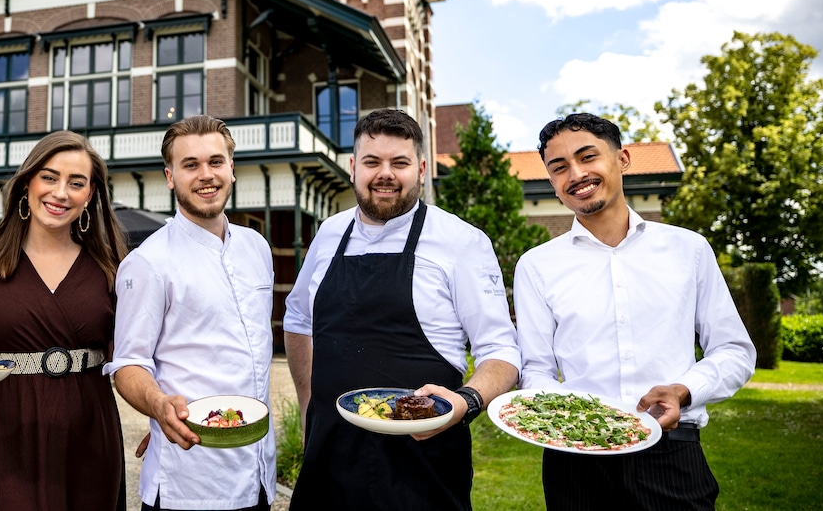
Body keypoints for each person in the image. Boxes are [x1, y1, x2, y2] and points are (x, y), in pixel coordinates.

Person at [514, 113, 756, 510]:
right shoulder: (535, 266)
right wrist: (574, 418)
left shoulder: (689, 250)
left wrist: (684, 391)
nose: (576, 174)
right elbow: (535, 369)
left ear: (622, 159)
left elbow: (734, 350)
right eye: (559, 168)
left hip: (672, 452)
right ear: (553, 183)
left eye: (587, 157)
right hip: (576, 461)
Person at [284, 108, 520, 509]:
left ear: (422, 168)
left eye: (400, 163)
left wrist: (465, 402)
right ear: (353, 166)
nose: (385, 174)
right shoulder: (328, 233)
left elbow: (502, 351)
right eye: (373, 162)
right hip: (329, 459)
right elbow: (298, 319)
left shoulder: (461, 241)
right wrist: (309, 407)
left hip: (423, 466)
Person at [0, 130, 129, 510]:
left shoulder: (113, 268)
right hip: (1, 427)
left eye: (76, 183)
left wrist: (160, 414)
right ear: (27, 182)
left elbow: (134, 356)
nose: (61, 192)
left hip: (89, 430)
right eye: (49, 177)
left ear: (90, 195)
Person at [107, 115, 276, 511]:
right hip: (189, 480)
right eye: (190, 165)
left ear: (232, 169)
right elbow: (128, 364)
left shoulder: (257, 247)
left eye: (216, 161)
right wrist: (158, 406)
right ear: (170, 177)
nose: (206, 175)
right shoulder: (148, 262)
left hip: (259, 473)